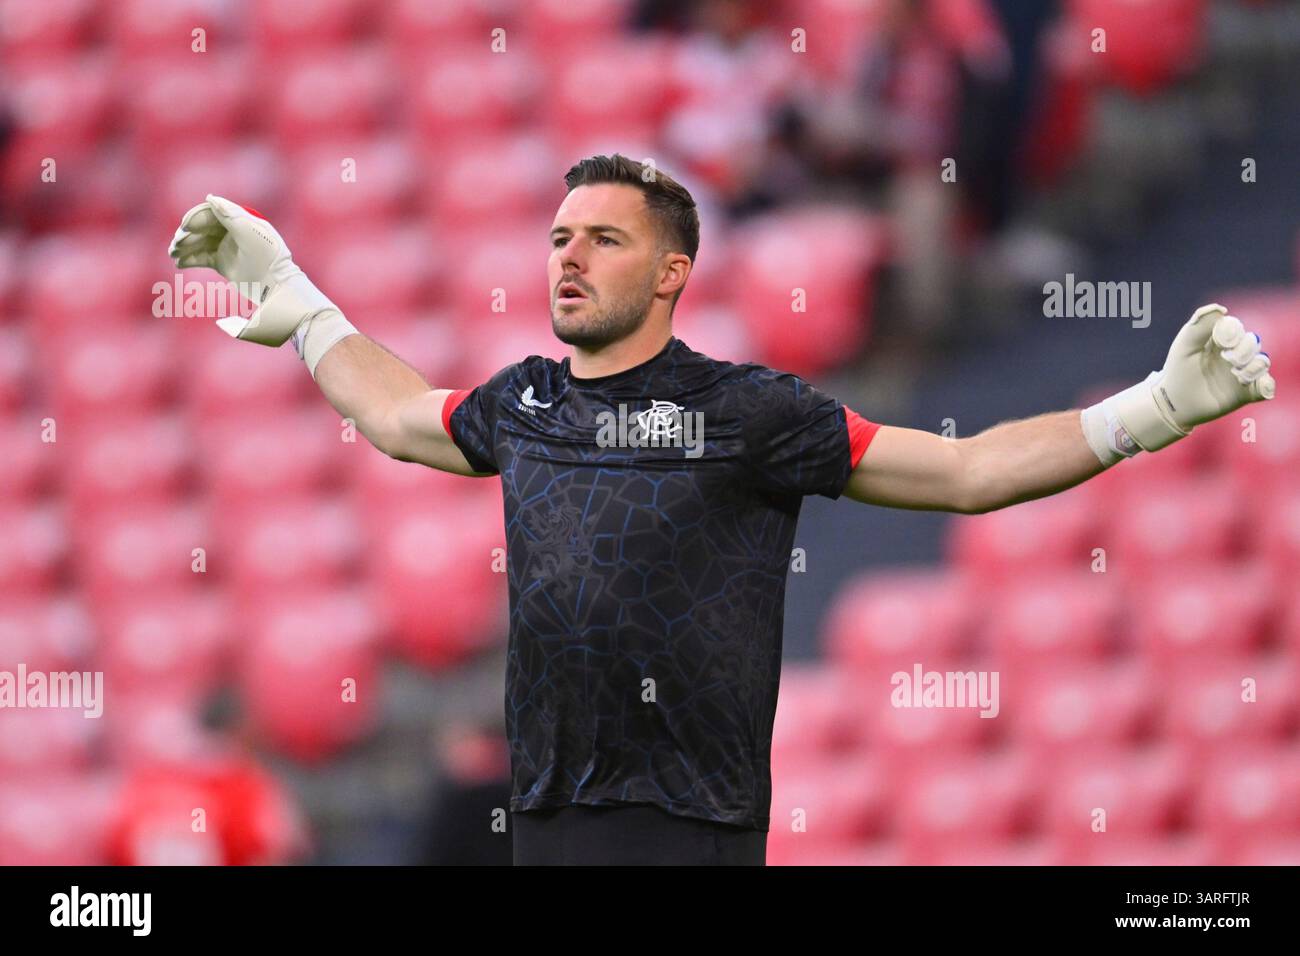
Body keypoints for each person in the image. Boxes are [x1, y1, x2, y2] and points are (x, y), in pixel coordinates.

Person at [169, 154, 1276, 865]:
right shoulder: (526, 400)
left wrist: (1156, 405)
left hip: (687, 829)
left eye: (603, 238)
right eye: (558, 236)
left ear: (670, 273)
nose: (569, 255)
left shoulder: (747, 411)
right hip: (544, 822)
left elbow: (968, 471)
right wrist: (304, 303)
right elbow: (402, 411)